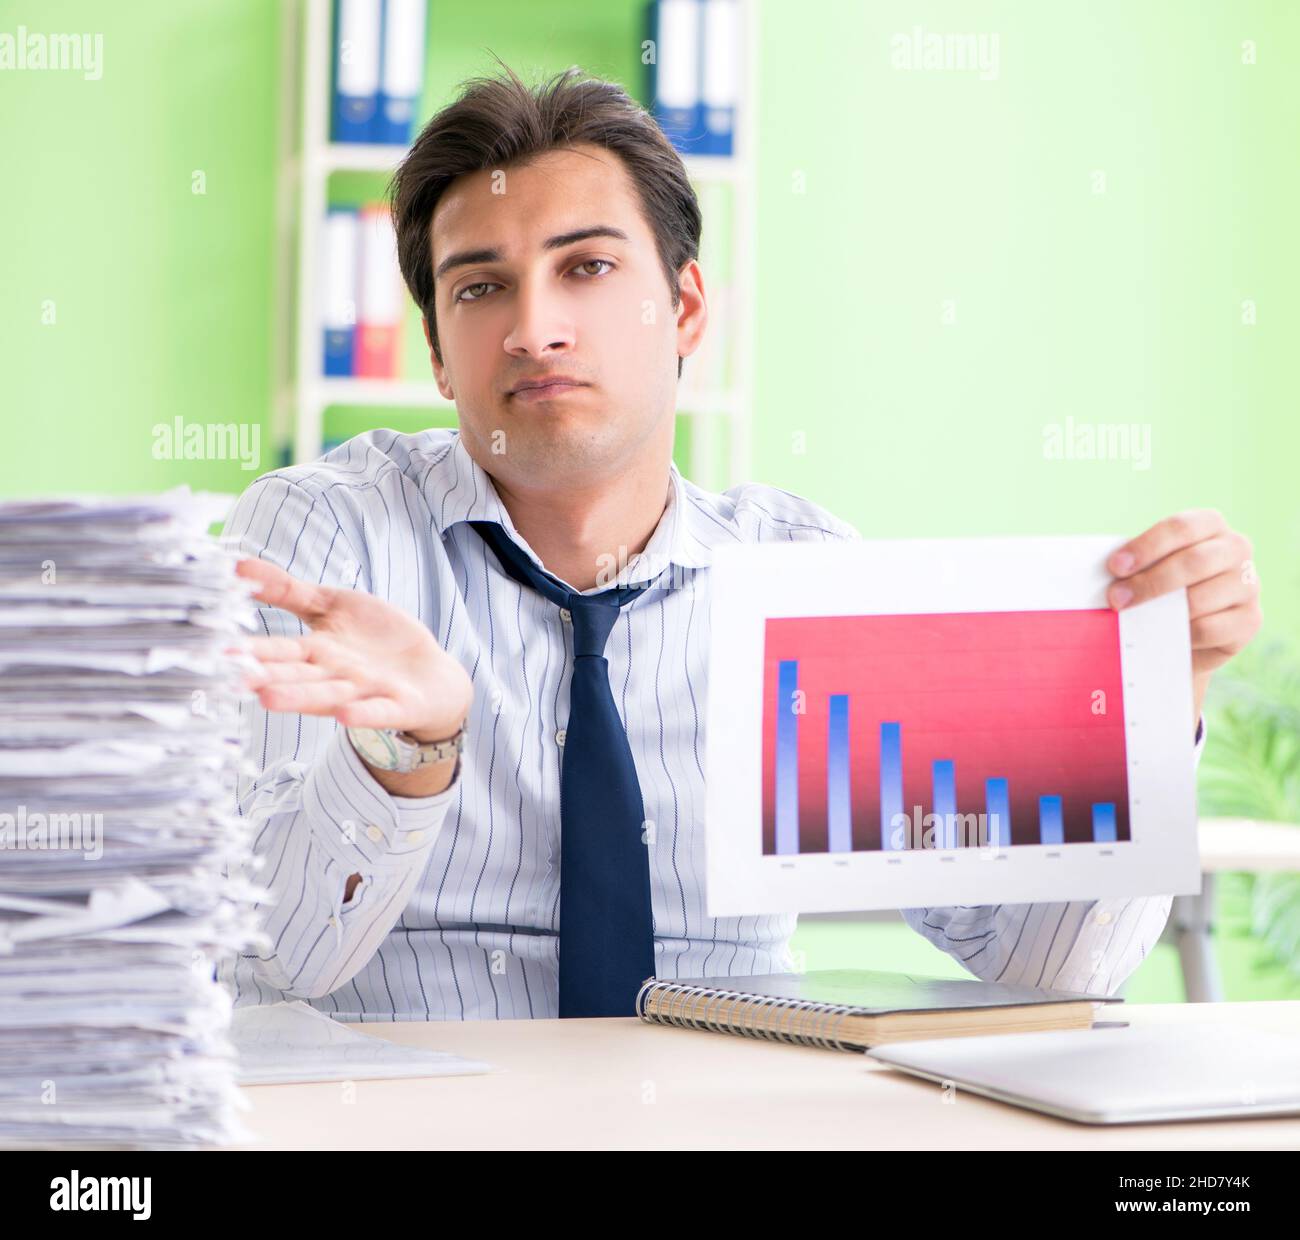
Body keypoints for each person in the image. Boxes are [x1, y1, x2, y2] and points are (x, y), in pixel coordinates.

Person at [220, 65, 1260, 1021]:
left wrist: (1160, 703)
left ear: (682, 307)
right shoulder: (324, 541)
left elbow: (1047, 972)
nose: (535, 327)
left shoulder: (803, 575)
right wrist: (403, 755)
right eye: (480, 287)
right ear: (441, 354)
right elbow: (255, 960)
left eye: (584, 266)